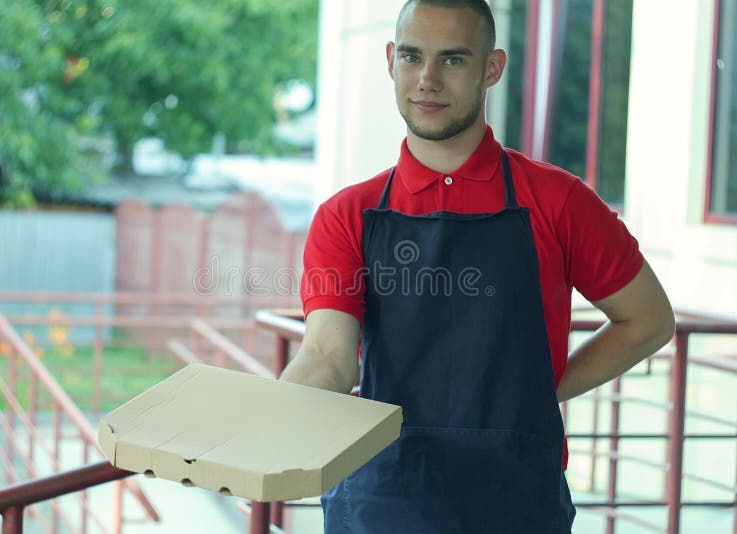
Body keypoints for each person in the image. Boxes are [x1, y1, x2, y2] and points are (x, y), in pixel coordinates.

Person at [280, 0, 675, 532]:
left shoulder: (560, 201)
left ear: (492, 68)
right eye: (413, 57)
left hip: (518, 503)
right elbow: (327, 357)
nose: (427, 79)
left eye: (453, 59)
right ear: (391, 60)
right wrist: (269, 419)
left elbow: (649, 320)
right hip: (380, 502)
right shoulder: (347, 215)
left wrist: (543, 389)